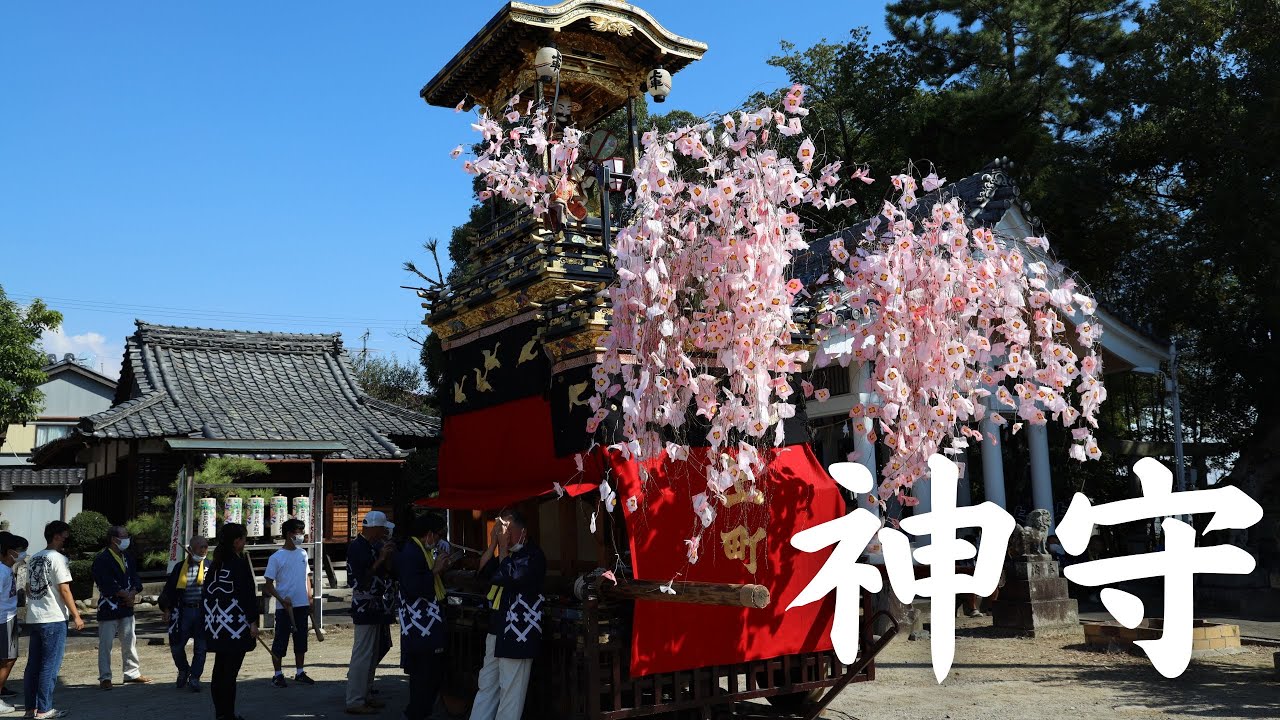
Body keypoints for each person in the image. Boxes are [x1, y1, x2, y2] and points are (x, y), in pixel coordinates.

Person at [469, 510, 546, 720]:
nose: (506, 535)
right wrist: (494, 543)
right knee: (487, 686)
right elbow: (482, 573)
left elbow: (508, 577)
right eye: (503, 531)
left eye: (508, 531)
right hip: (497, 628)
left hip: (518, 632)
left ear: (524, 532)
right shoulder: (507, 554)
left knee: (511, 693)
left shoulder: (533, 556)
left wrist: (503, 548)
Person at [23, 520, 84, 719]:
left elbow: (28, 588)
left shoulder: (34, 558)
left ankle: (30, 708)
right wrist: (76, 615)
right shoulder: (58, 558)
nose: (67, 539)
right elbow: (64, 589)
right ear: (57, 536)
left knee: (33, 665)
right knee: (49, 665)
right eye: (65, 535)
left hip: (35, 616)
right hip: (54, 616)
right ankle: (44, 709)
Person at [398, 513, 456, 720]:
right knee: (425, 674)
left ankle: (419, 712)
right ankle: (416, 714)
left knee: (428, 673)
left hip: (424, 623)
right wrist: (435, 570)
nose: (439, 540)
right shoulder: (411, 553)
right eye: (439, 535)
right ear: (429, 534)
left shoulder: (419, 550)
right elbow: (414, 587)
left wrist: (438, 569)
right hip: (420, 624)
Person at [204, 523, 260, 720]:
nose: (245, 543)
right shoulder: (238, 564)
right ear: (237, 541)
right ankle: (227, 715)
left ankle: (221, 713)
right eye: (244, 539)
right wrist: (253, 621)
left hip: (216, 623)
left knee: (220, 670)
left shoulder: (215, 564)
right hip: (235, 624)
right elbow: (247, 595)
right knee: (229, 674)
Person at [344, 511, 395, 715]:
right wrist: (380, 559)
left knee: (372, 653)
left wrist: (385, 557)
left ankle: (365, 694)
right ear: (374, 528)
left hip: (374, 605)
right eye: (382, 528)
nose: (384, 532)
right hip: (364, 605)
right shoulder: (357, 547)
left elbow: (385, 572)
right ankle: (355, 699)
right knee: (363, 653)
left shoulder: (372, 545)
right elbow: (359, 580)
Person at [92, 525, 151, 689]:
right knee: (106, 644)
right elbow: (104, 582)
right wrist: (125, 594)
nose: (127, 540)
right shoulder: (102, 559)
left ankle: (132, 673)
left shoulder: (127, 557)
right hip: (108, 606)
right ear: (114, 539)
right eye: (124, 537)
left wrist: (133, 592)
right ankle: (105, 677)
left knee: (129, 640)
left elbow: (135, 578)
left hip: (126, 605)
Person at [263, 519, 314, 687]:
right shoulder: (276, 557)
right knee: (280, 640)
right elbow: (268, 584)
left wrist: (309, 597)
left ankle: (300, 672)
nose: (301, 536)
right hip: (284, 607)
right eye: (298, 532)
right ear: (288, 534)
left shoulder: (303, 554)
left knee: (301, 640)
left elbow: (307, 577)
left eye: (302, 532)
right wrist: (281, 600)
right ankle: (278, 675)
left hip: (301, 604)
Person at [160, 535, 211, 692]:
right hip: (183, 612)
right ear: (190, 549)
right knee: (176, 645)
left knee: (201, 648)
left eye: (205, 547)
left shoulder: (211, 567)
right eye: (200, 547)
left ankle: (195, 678)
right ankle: (183, 669)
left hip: (203, 613)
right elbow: (168, 591)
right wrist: (166, 609)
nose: (203, 550)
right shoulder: (179, 568)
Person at [0, 533, 28, 714]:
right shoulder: (1, 571)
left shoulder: (6, 568)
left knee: (6, 658)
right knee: (9, 658)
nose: (22, 553)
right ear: (10, 551)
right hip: (3, 619)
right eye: (20, 550)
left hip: (8, 617)